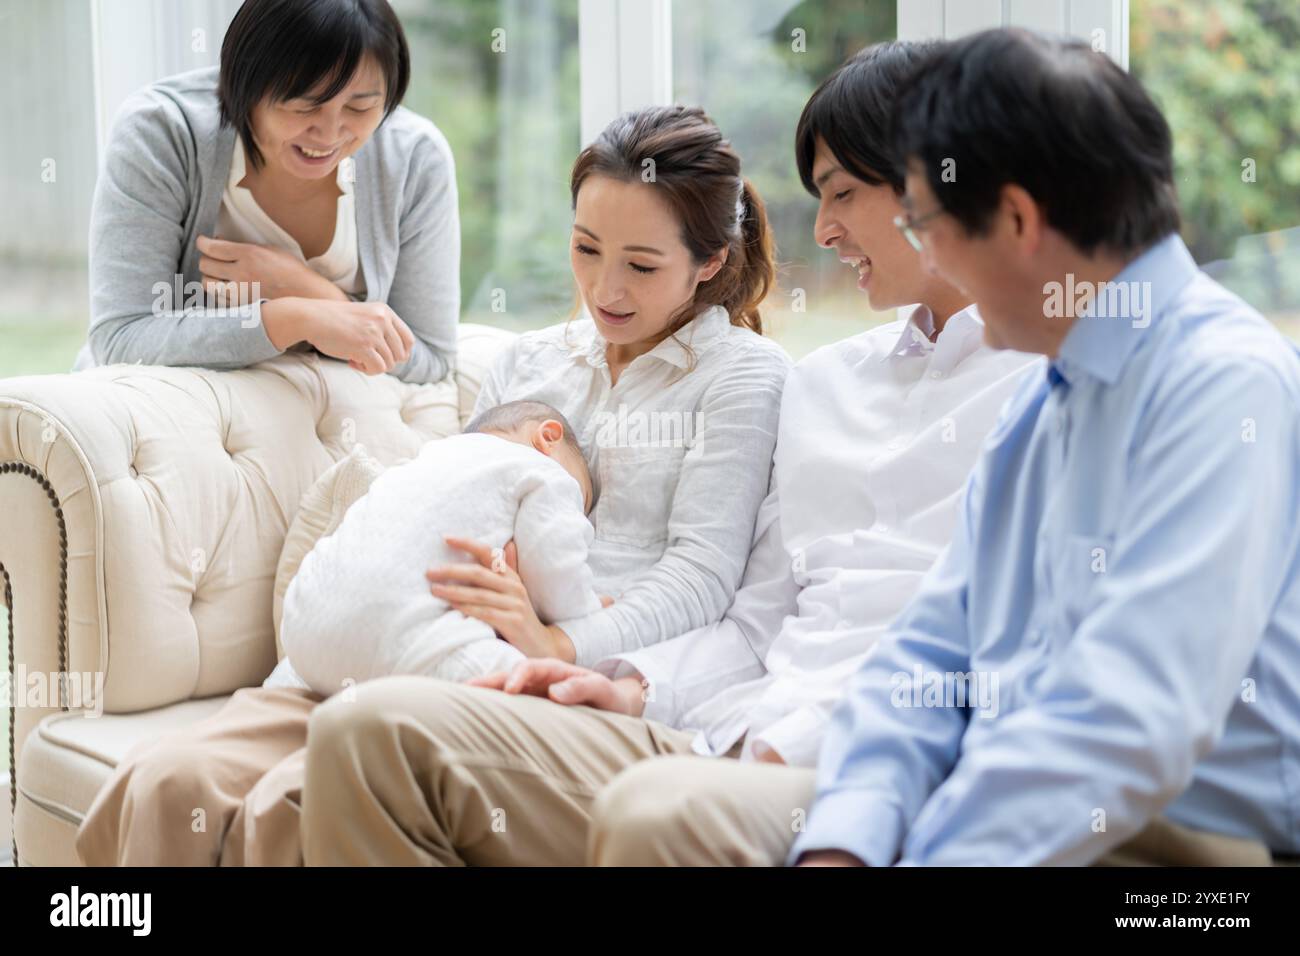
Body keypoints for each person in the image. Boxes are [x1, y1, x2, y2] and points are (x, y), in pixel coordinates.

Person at [296, 42, 1037, 867]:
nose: (821, 230)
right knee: (364, 730)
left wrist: (573, 644)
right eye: (585, 250)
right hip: (721, 720)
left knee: (652, 817)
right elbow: (759, 615)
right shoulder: (827, 385)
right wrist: (634, 686)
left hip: (849, 757)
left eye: (841, 195)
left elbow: (1014, 649)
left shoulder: (1051, 389)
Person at [644, 28, 1300, 868]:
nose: (925, 252)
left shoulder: (1220, 385)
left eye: (928, 221)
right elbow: (927, 653)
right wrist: (846, 837)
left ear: (1019, 220)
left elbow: (1128, 720)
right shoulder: (1048, 404)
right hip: (1024, 797)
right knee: (668, 823)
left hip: (1195, 853)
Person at [75, 103, 790, 866]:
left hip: (552, 679)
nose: (604, 289)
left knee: (295, 800)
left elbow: (703, 575)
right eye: (586, 249)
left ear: (711, 262)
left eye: (642, 266)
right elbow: (445, 498)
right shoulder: (530, 364)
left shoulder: (742, 378)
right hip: (419, 637)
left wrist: (562, 637)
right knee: (168, 779)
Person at [75, 0, 456, 383]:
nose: (329, 133)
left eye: (360, 108)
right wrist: (289, 319)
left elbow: (432, 359)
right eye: (304, 106)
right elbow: (120, 339)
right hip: (169, 420)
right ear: (244, 84)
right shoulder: (162, 132)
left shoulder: (414, 158)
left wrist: (303, 289)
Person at [280, 401, 604, 694]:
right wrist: (587, 612)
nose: (578, 514)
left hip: (303, 629)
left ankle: (281, 691)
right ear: (547, 437)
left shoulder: (426, 458)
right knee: (549, 687)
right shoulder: (544, 470)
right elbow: (554, 564)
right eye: (581, 501)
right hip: (412, 644)